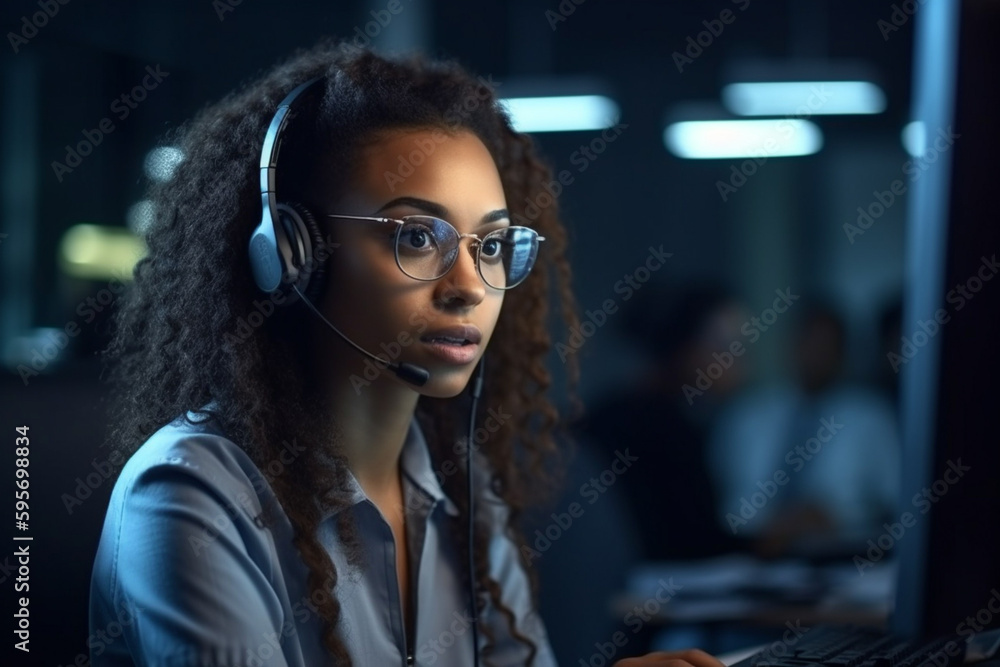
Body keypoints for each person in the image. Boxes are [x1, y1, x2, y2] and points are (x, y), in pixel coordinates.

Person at [88, 38, 730, 667]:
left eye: (492, 245)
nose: (469, 288)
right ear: (291, 256)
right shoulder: (187, 495)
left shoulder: (461, 483)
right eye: (419, 236)